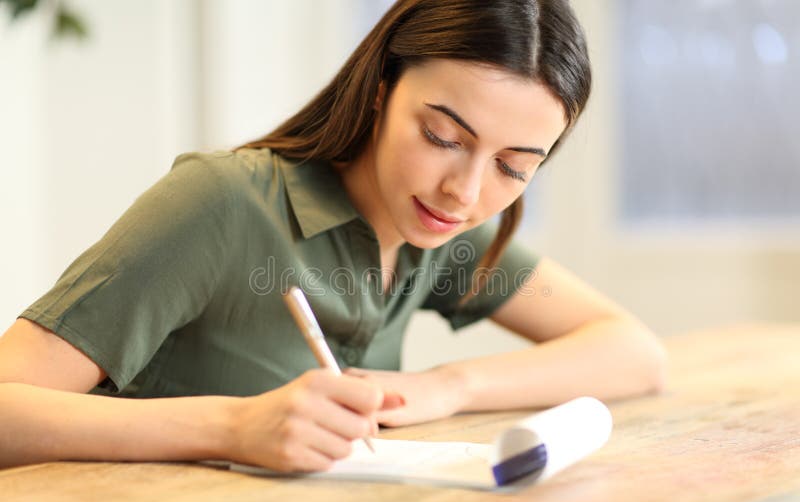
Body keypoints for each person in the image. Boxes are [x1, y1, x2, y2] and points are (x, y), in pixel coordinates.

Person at [0, 0, 665, 472]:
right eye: (441, 138)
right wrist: (232, 427)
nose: (464, 192)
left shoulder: (446, 239)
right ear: (380, 89)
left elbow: (632, 352)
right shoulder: (222, 205)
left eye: (513, 167)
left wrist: (449, 387)